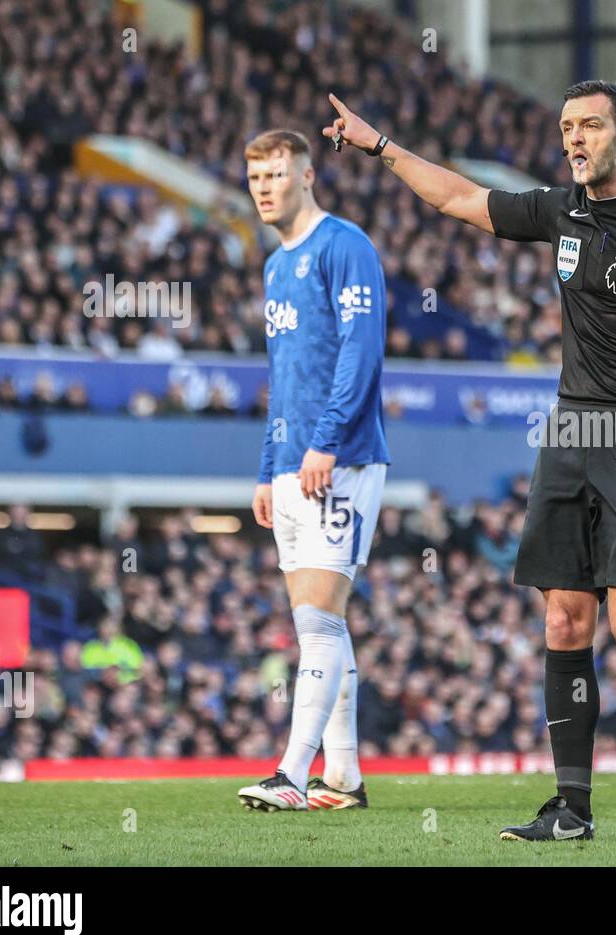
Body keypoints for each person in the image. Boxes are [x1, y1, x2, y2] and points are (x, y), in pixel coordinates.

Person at [326, 80, 616, 840]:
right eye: (565, 129)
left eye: (589, 126)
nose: (574, 140)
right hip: (574, 428)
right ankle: (572, 810)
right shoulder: (561, 209)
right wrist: (381, 147)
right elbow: (459, 199)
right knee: (561, 620)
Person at [236, 129, 389, 813]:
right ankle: (345, 778)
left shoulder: (345, 247)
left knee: (319, 622)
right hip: (295, 467)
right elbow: (282, 375)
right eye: (255, 178)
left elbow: (362, 351)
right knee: (316, 626)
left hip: (342, 461)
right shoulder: (275, 266)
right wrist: (270, 466)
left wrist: (324, 443)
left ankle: (292, 773)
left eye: (276, 174)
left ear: (306, 176)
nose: (265, 188)